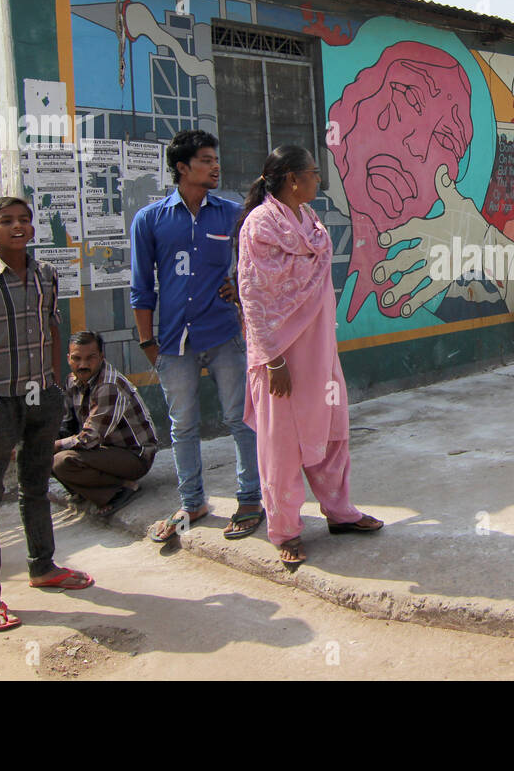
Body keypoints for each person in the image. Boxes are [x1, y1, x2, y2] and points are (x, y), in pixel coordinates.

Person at [0, 197, 93, 632]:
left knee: (35, 485)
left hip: (38, 397)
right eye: (6, 221)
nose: (18, 227)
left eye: (24, 220)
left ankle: (42, 567)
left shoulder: (46, 274)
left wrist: (49, 380)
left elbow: (51, 327)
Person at [237, 145, 383, 564]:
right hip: (281, 355)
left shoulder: (309, 219)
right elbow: (254, 295)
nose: (320, 180)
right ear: (292, 179)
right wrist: (274, 359)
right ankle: (284, 531)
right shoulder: (260, 225)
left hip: (319, 348)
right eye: (314, 174)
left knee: (333, 430)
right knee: (281, 444)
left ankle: (340, 512)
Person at [130, 130, 263, 542]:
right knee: (182, 426)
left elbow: (256, 262)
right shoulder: (150, 220)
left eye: (215, 159)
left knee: (241, 420)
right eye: (206, 160)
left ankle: (250, 500)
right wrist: (147, 343)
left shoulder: (230, 214)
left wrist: (237, 285)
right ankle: (192, 503)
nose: (215, 166)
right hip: (173, 342)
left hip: (223, 333)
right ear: (183, 168)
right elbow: (141, 287)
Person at [53, 330, 158, 515]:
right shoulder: (72, 381)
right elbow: (67, 425)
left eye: (90, 358)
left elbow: (89, 439)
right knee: (39, 455)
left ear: (101, 357)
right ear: (68, 358)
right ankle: (94, 490)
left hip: (134, 456)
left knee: (62, 461)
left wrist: (55, 445)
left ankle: (119, 489)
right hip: (103, 451)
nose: (83, 364)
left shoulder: (109, 385)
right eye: (76, 358)